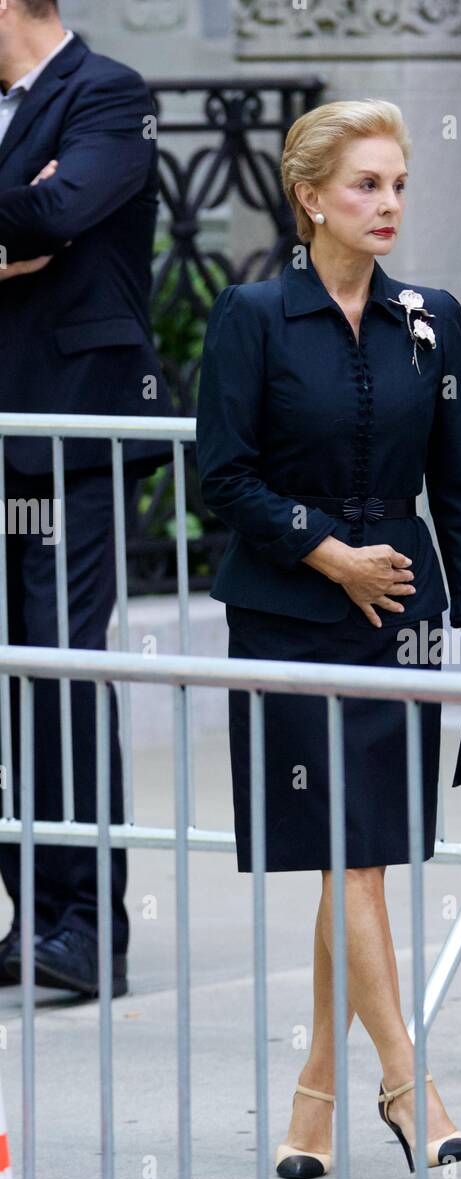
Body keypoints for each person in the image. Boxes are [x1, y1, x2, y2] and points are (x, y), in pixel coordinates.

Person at [196, 98, 461, 1179]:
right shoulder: (252, 315)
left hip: (402, 625)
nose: (387, 204)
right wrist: (325, 552)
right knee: (356, 858)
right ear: (310, 197)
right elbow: (223, 478)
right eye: (366, 185)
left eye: (398, 184)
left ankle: (312, 1104)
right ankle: (407, 1086)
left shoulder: (429, 315)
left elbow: (459, 490)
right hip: (289, 618)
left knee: (364, 858)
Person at [0, 1, 176, 997]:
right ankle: (31, 913)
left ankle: (85, 926)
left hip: (74, 432)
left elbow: (61, 214)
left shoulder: (106, 93)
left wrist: (30, 214)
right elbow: (24, 221)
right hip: (1, 434)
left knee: (62, 668)